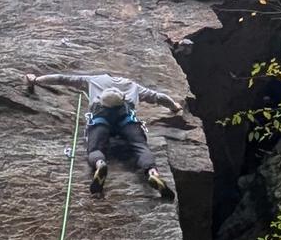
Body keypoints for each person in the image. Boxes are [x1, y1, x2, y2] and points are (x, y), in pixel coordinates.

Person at [22, 67, 190, 199]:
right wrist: (174, 106)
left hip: (100, 119)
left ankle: (100, 164)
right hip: (127, 120)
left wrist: (36, 80)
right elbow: (158, 97)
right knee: (140, 146)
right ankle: (153, 173)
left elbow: (63, 79)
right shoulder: (132, 86)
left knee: (95, 148)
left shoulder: (95, 80)